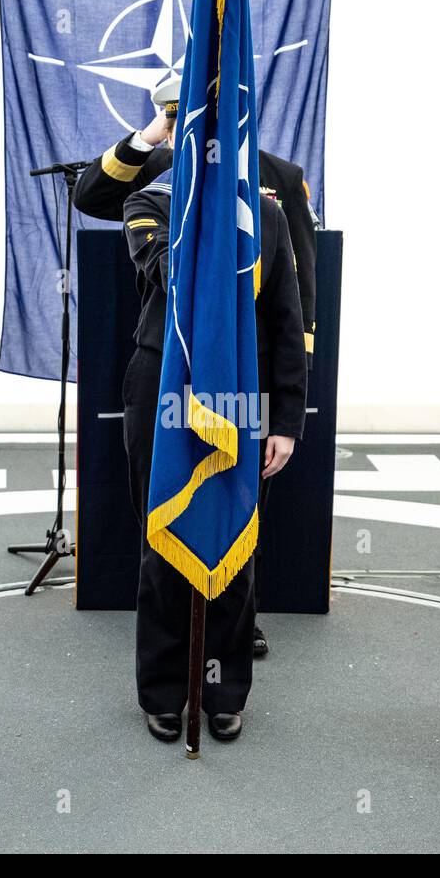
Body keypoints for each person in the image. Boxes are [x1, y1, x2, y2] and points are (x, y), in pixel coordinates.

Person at [78, 77, 318, 658]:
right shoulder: (158, 187)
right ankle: (171, 651)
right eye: (187, 111)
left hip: (242, 376)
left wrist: (290, 397)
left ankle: (231, 637)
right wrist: (157, 133)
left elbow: (296, 292)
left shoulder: (277, 181)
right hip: (167, 374)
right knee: (164, 509)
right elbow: (92, 197)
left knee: (234, 511)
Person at [120, 107, 307, 744]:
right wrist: (205, 218)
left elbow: (285, 320)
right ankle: (166, 690)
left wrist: (285, 419)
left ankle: (224, 688)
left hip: (243, 392)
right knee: (163, 540)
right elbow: (158, 273)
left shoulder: (270, 216)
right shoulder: (151, 204)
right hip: (164, 386)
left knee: (235, 536)